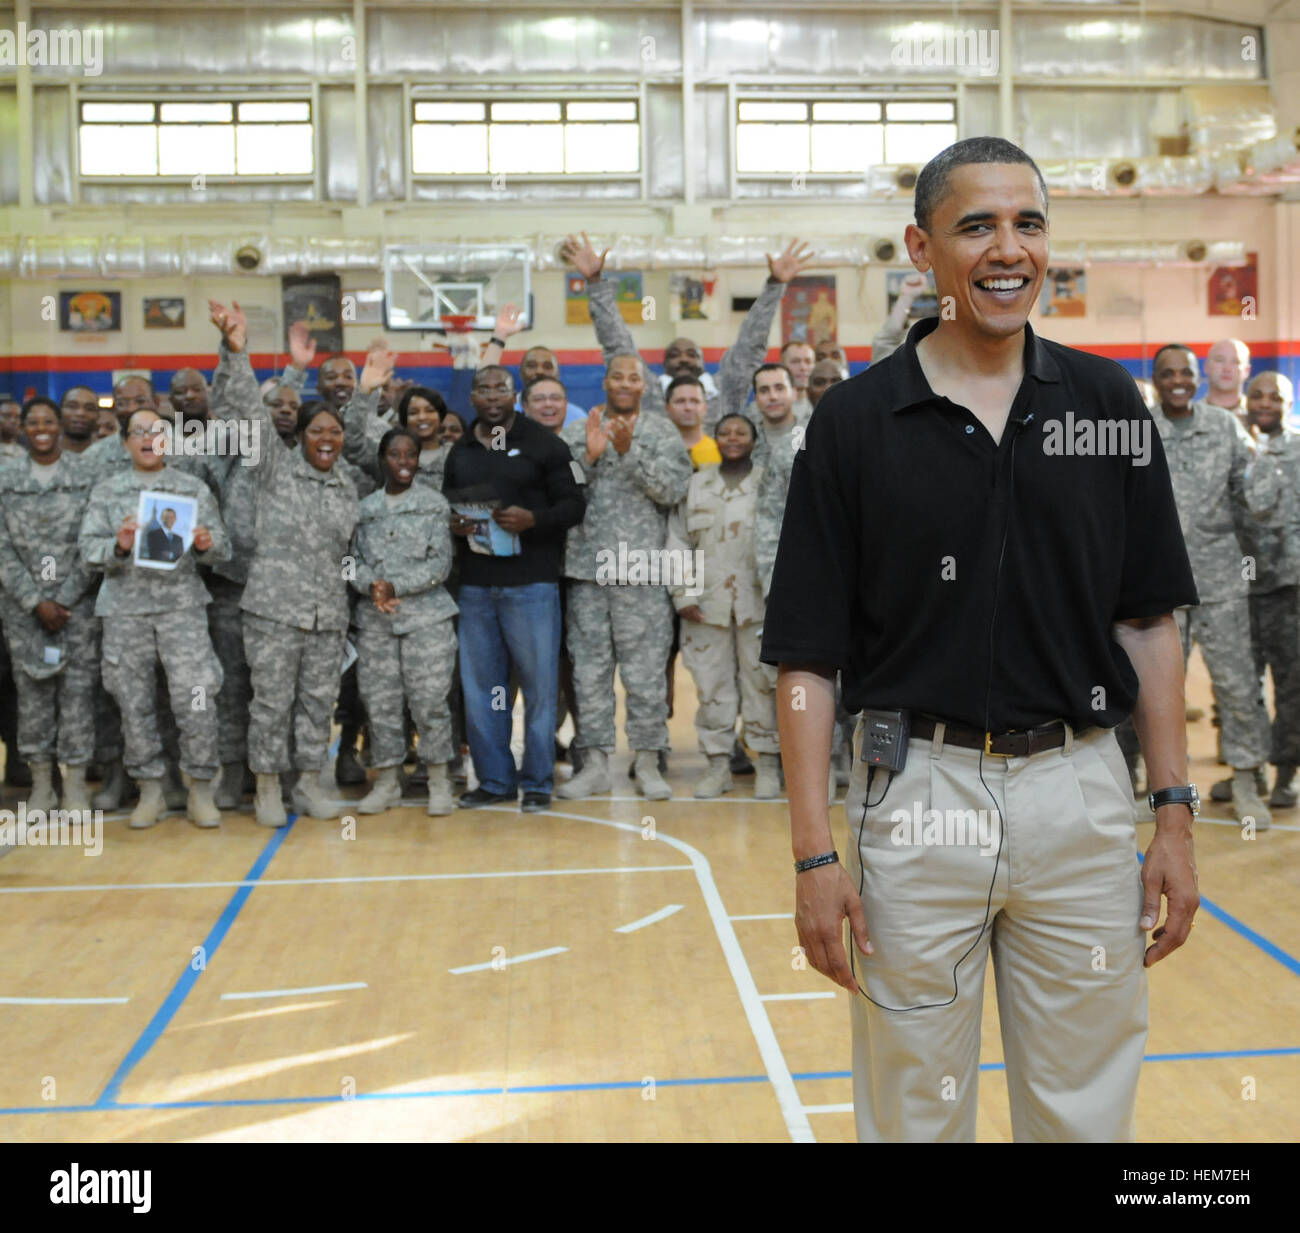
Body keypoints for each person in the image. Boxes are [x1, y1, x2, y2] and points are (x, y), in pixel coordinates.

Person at [762, 137, 1201, 1143]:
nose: (1008, 250)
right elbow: (806, 659)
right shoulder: (855, 423)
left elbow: (1147, 621)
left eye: (1028, 223)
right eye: (977, 226)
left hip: (1082, 798)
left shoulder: (1103, 406)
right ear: (922, 249)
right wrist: (810, 855)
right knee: (916, 1110)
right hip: (916, 798)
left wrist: (1172, 813)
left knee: (1085, 1109)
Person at [207, 299, 364, 826]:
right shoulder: (273, 467)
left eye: (335, 433)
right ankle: (268, 788)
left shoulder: (348, 484)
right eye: (317, 432)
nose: (327, 439)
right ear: (299, 436)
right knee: (270, 704)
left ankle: (307, 784)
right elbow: (248, 411)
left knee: (316, 704)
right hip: (274, 612)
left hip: (327, 617)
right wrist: (236, 349)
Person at [78, 406, 230, 829]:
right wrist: (119, 546)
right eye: (138, 432)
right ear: (125, 441)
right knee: (133, 702)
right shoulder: (108, 490)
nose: (148, 439)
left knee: (196, 698)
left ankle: (200, 787)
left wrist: (204, 543)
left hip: (181, 610)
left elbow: (225, 548)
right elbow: (87, 551)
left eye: (157, 431)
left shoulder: (192, 489)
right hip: (126, 612)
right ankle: (150, 790)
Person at [444, 365, 585, 811]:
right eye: (483, 389)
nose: (491, 396)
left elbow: (575, 505)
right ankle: (494, 782)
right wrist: (455, 524)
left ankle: (538, 783)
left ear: (514, 395)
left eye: (500, 389)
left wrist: (534, 519)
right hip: (476, 588)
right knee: (482, 690)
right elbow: (449, 506)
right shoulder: (460, 451)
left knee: (540, 688)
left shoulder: (546, 444)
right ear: (472, 397)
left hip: (532, 586)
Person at [1150, 342, 1277, 827]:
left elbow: (1256, 501)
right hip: (1160, 588)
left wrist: (1263, 451)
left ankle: (1246, 781)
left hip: (1221, 582)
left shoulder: (1224, 427)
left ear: (1198, 378)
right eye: (1168, 373)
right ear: (1157, 380)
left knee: (1238, 686)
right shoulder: (1141, 430)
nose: (1178, 380)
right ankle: (1160, 787)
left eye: (1187, 372)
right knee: (1159, 693)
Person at [557, 354, 691, 800]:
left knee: (646, 673)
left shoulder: (662, 431)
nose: (625, 383)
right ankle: (594, 763)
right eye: (618, 376)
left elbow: (673, 490)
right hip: (588, 572)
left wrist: (630, 452)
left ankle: (648, 761)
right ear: (605, 381)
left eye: (634, 377)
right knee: (590, 673)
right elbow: (561, 489)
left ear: (643, 385)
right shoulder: (579, 430)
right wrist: (589, 459)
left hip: (642, 574)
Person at [560, 231, 815, 432]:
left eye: (691, 354)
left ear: (704, 363)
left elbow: (750, 346)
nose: (683, 358)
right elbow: (617, 344)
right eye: (675, 354)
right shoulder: (647, 392)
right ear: (663, 364)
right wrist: (594, 283)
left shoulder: (726, 389)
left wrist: (775, 285)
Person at [666, 413, 778, 799]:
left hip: (759, 603)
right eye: (725, 432)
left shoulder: (769, 483)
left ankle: (767, 764)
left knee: (763, 684)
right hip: (706, 607)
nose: (733, 438)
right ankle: (718, 765)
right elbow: (678, 542)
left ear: (753, 438)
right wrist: (683, 596)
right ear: (715, 439)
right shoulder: (696, 483)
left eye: (741, 432)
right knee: (711, 686)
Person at [349, 427, 459, 815]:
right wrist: (370, 586)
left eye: (410, 455)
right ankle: (388, 781)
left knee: (429, 703)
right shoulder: (363, 509)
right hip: (376, 623)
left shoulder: (434, 505)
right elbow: (351, 562)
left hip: (426, 620)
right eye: (395, 455)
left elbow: (440, 565)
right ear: (383, 460)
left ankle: (439, 781)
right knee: (380, 704)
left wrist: (395, 586)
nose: (403, 463)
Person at [0, 397, 100, 813]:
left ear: (59, 426)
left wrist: (63, 597)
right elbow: (1, 547)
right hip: (24, 610)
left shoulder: (86, 474)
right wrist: (35, 600)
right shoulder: (5, 476)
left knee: (78, 694)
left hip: (76, 605)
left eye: (48, 420)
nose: (41, 428)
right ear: (22, 427)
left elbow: (95, 538)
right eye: (33, 421)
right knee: (33, 696)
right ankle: (42, 785)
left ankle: (75, 785)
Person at [1223, 371, 1300, 809]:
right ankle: (1248, 772)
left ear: (1289, 404)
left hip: (1291, 587)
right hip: (1237, 586)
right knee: (1240, 685)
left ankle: (1287, 770)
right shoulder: (1231, 446)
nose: (1266, 402)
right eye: (1258, 395)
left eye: (1276, 396)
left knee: (1292, 684)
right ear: (1246, 400)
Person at [1203, 338, 1250, 422]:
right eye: (1220, 360)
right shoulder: (1190, 415)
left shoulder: (1256, 415)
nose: (1227, 368)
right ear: (1206, 366)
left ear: (1247, 371)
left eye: (1236, 362)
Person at [780, 340, 816, 420]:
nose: (803, 367)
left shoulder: (823, 404)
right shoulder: (765, 407)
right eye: (795, 361)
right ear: (782, 366)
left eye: (808, 361)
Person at [59, 386, 101, 454]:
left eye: (89, 408)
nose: (81, 413)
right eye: (72, 406)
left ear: (98, 415)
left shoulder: (107, 452)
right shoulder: (45, 450)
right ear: (60, 412)